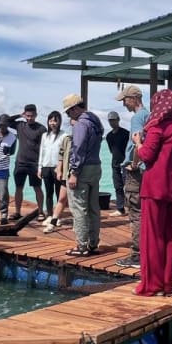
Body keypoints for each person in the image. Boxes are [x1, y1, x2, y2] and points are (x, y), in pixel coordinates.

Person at [132, 90, 172, 297]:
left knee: (151, 237)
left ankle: (152, 285)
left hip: (155, 188)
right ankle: (167, 285)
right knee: (170, 236)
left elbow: (146, 155)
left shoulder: (158, 126)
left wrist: (138, 142)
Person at [62, 94, 103, 255]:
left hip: (83, 169)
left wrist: (74, 172)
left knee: (79, 208)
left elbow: (78, 148)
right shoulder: (95, 121)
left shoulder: (80, 124)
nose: (68, 115)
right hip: (96, 166)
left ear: (74, 109)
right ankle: (93, 243)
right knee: (94, 207)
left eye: (68, 112)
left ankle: (81, 245)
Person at [115, 85, 149, 267]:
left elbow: (138, 141)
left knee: (135, 211)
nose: (124, 104)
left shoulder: (137, 117)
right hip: (146, 169)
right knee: (143, 210)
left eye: (125, 100)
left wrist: (134, 163)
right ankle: (145, 250)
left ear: (134, 99)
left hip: (135, 170)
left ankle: (137, 254)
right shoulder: (148, 115)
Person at [11, 104, 46, 218]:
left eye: (32, 116)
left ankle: (41, 212)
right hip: (20, 162)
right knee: (18, 188)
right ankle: (17, 212)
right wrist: (19, 115)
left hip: (34, 164)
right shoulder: (19, 125)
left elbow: (45, 147)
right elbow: (6, 120)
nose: (30, 118)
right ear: (24, 114)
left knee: (37, 188)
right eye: (27, 116)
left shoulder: (41, 129)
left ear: (36, 115)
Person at [43, 120, 74, 233]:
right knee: (61, 198)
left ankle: (80, 224)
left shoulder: (83, 138)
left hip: (77, 174)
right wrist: (59, 169)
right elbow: (61, 154)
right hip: (66, 174)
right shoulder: (66, 138)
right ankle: (53, 223)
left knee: (76, 201)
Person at [37, 110, 67, 221]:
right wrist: (39, 168)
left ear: (59, 122)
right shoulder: (45, 135)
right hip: (46, 167)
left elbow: (64, 153)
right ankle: (49, 215)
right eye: (50, 121)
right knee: (48, 192)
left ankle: (57, 216)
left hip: (57, 168)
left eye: (55, 121)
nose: (52, 123)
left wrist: (62, 168)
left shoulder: (64, 135)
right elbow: (42, 152)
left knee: (59, 193)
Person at [106, 111, 129, 216]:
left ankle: (132, 207)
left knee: (128, 186)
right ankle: (120, 208)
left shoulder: (125, 133)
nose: (112, 122)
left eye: (114, 120)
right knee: (117, 186)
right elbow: (111, 150)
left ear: (118, 120)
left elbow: (130, 149)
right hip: (115, 164)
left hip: (126, 163)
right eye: (110, 120)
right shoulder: (108, 136)